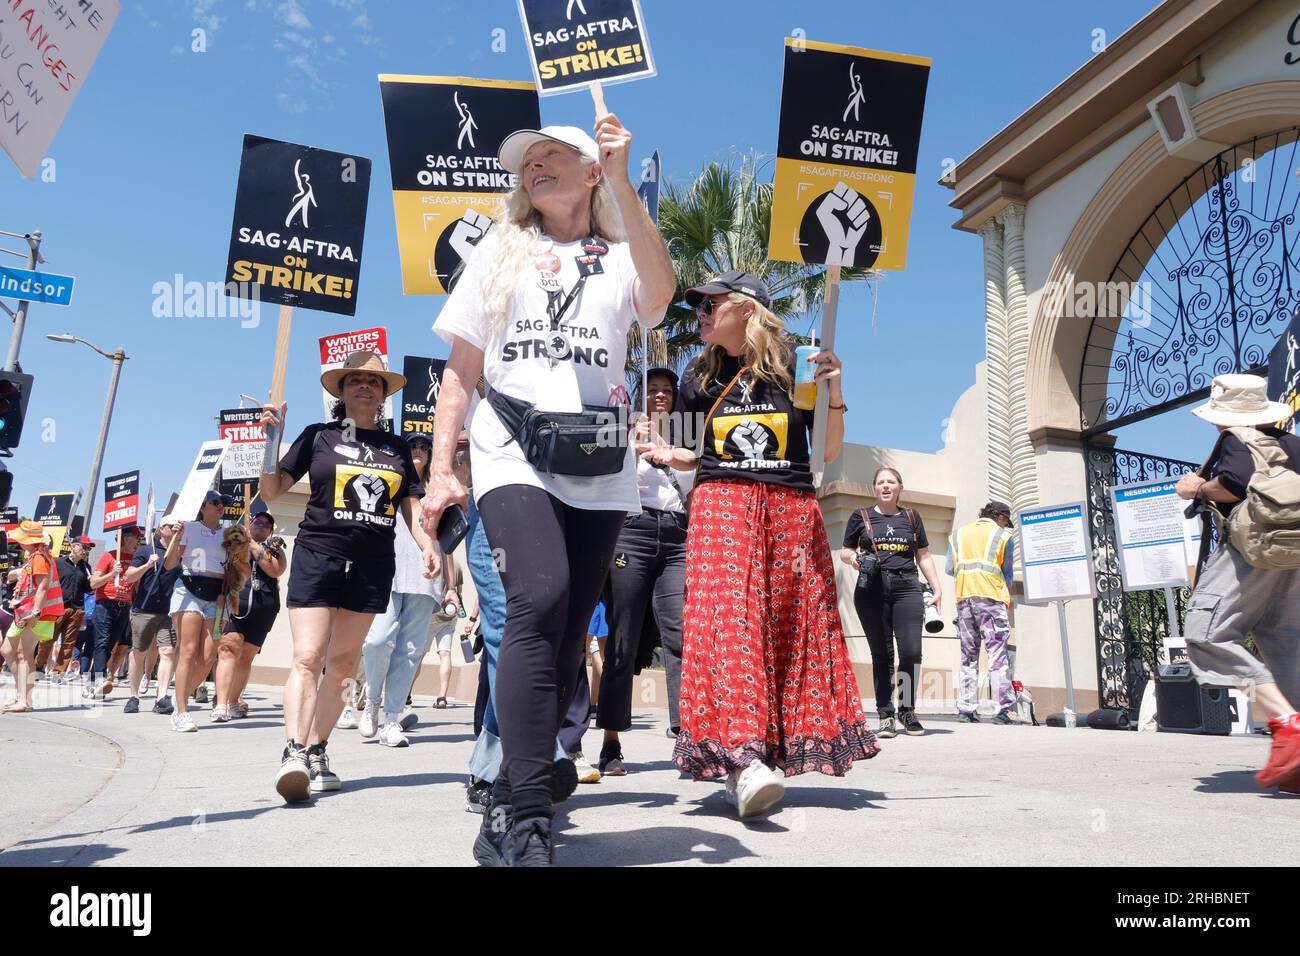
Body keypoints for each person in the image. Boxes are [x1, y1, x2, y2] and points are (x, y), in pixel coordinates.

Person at [425, 113, 675, 866]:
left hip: (598, 464)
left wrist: (627, 180)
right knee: (538, 595)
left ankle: (514, 786)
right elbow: (459, 373)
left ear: (591, 169)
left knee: (568, 635)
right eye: (526, 161)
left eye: (552, 156)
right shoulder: (499, 249)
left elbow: (660, 294)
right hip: (511, 451)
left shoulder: (622, 253)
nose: (534, 166)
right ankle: (525, 806)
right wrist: (442, 467)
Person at [644, 270, 878, 820]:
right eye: (696, 304)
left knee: (789, 628)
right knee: (731, 625)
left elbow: (826, 450)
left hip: (791, 506)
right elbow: (687, 452)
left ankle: (759, 754)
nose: (699, 312)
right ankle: (744, 759)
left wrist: (835, 391)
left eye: (709, 302)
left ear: (747, 308)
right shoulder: (697, 377)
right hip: (723, 504)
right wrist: (659, 448)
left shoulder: (799, 365)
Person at [259, 350, 437, 802]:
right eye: (355, 380)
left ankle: (317, 749)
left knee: (341, 664)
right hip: (319, 554)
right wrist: (269, 441)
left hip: (373, 565)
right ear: (341, 390)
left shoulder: (396, 448)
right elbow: (272, 490)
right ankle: (293, 752)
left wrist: (429, 547)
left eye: (374, 383)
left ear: (383, 396)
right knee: (307, 656)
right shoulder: (318, 437)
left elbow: (411, 509)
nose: (364, 386)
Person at [1175, 374, 1300, 793]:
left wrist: (1196, 487)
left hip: (1251, 551)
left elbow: (1232, 484)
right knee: (1285, 643)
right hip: (1294, 556)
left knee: (1206, 633)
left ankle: (1287, 727)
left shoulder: (1236, 439)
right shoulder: (1292, 444)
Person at [596, 367, 690, 774]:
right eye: (652, 390)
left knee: (681, 635)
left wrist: (674, 451)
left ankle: (687, 735)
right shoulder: (622, 431)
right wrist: (630, 447)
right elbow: (599, 475)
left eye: (667, 391)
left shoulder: (689, 438)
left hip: (676, 535)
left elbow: (697, 482)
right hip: (631, 530)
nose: (660, 396)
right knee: (623, 635)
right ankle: (611, 741)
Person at [358, 432, 458, 747]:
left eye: (424, 447)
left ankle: (391, 719)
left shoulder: (437, 492)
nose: (418, 451)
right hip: (386, 570)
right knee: (377, 640)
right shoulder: (389, 480)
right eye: (412, 446)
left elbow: (449, 543)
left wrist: (451, 587)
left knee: (410, 650)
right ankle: (372, 699)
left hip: (425, 577)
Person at [840, 468, 944, 738]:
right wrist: (854, 560)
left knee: (910, 651)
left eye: (891, 482)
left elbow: (923, 554)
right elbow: (846, 551)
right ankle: (886, 715)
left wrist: (937, 587)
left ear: (899, 486)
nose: (886, 486)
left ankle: (907, 711)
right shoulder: (860, 516)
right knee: (882, 654)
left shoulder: (911, 516)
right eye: (880, 482)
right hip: (871, 588)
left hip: (907, 586)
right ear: (874, 487)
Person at [162, 491, 229, 732]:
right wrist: (175, 538)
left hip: (217, 594)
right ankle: (181, 711)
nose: (221, 506)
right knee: (188, 651)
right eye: (216, 502)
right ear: (203, 507)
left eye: (223, 503)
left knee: (209, 657)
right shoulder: (188, 528)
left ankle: (179, 693)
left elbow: (233, 566)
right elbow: (169, 564)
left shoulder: (228, 534)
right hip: (189, 588)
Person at [948, 501, 1018, 724]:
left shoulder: (958, 535)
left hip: (964, 598)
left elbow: (950, 568)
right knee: (997, 655)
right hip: (991, 599)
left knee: (968, 656)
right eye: (1006, 521)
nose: (1006, 526)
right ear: (999, 517)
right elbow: (1007, 575)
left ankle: (966, 710)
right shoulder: (1003, 537)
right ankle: (1003, 710)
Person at [214, 510, 287, 721]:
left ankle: (233, 700)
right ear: (250, 523)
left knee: (246, 656)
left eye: (267, 524)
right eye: (258, 521)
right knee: (228, 648)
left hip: (263, 606)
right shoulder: (235, 540)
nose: (262, 525)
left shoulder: (274, 548)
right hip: (235, 602)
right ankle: (221, 704)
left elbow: (275, 570)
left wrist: (254, 546)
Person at [1, 520, 64, 712]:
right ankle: (21, 696)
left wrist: (36, 611)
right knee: (7, 651)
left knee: (23, 653)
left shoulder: (39, 557)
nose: (19, 542)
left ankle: (25, 700)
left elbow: (43, 587)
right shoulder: (36, 556)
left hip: (38, 613)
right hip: (27, 612)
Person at [126, 519, 184, 715]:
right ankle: (133, 696)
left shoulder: (180, 551)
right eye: (170, 525)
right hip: (144, 609)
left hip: (169, 612)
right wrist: (148, 565)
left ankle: (161, 697)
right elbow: (129, 576)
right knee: (139, 653)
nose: (174, 528)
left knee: (167, 652)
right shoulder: (146, 550)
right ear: (161, 529)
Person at [86, 526, 151, 699]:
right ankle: (100, 679)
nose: (139, 541)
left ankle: (92, 683)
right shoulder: (108, 556)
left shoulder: (136, 559)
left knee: (109, 645)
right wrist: (111, 574)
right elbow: (93, 583)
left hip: (125, 606)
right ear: (125, 537)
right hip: (105, 604)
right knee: (102, 641)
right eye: (137, 537)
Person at [45, 536, 94, 680]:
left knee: (68, 643)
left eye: (88, 549)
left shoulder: (86, 567)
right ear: (73, 546)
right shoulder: (58, 562)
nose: (86, 551)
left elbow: (88, 590)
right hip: (56, 607)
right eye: (84, 547)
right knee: (47, 640)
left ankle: (58, 673)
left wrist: (91, 582)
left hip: (76, 610)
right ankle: (39, 667)